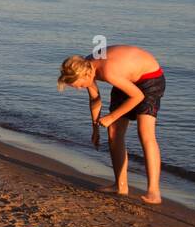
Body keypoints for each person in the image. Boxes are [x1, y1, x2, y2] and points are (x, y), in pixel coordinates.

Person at [58, 46, 166, 204]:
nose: (81, 89)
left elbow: (138, 96)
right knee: (113, 133)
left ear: (85, 74)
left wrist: (111, 116)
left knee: (145, 134)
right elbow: (95, 99)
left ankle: (154, 192)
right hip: (126, 79)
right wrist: (95, 129)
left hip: (149, 80)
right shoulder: (86, 66)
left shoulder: (108, 72)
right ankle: (120, 186)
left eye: (80, 85)